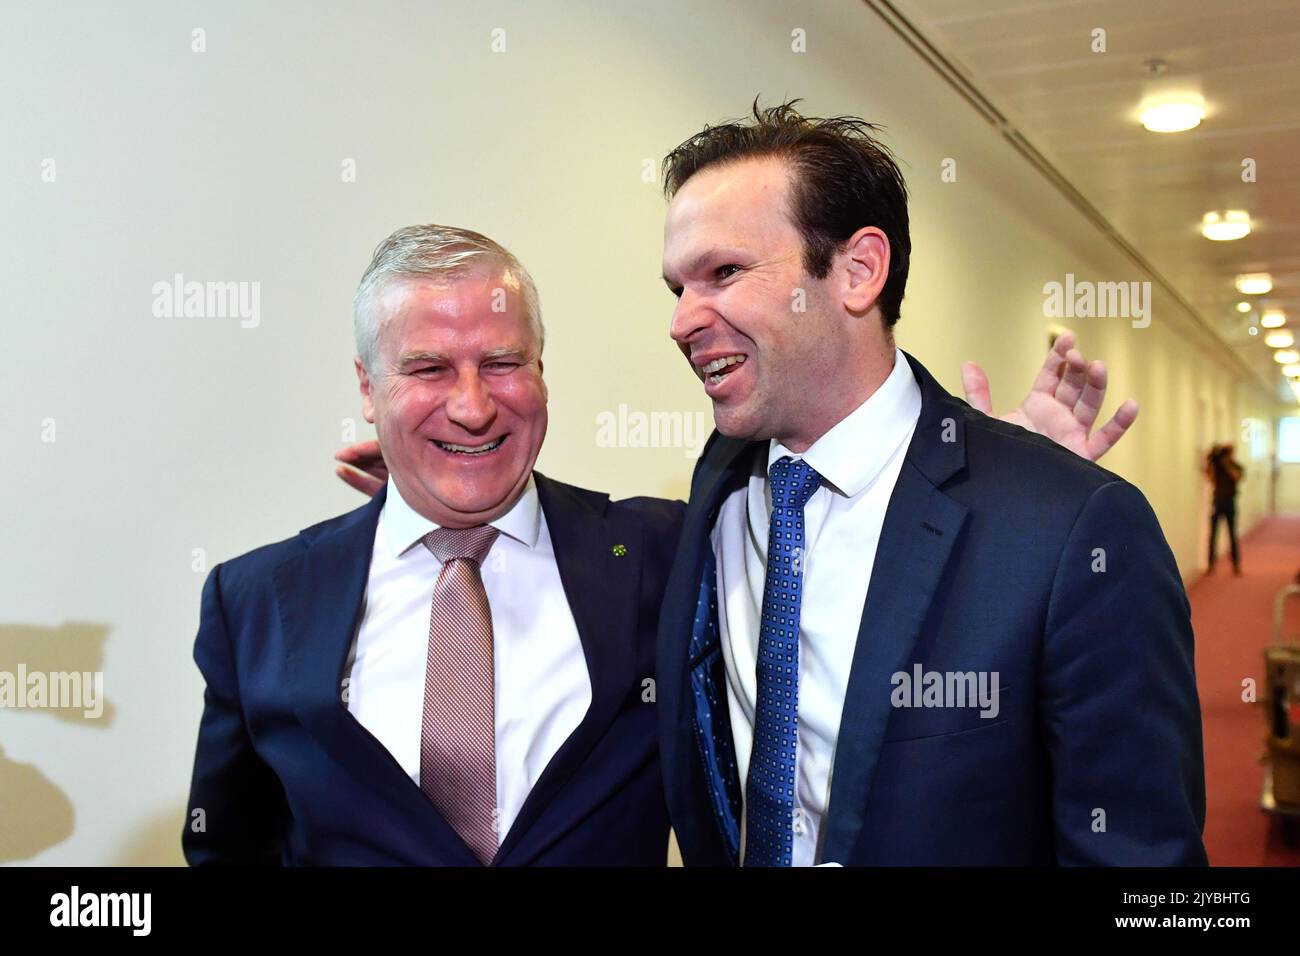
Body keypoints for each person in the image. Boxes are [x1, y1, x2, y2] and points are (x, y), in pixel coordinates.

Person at [652, 101, 1205, 866]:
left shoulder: (1074, 527)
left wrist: (1015, 493)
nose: (683, 321)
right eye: (676, 288)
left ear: (857, 270)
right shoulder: (720, 484)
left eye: (723, 273)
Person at [183, 225, 683, 865]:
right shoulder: (254, 601)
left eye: (502, 364)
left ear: (541, 372)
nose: (473, 408)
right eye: (428, 369)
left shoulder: (660, 555)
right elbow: (226, 850)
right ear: (367, 388)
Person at [1205, 443, 1244, 575]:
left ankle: (1236, 564)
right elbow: (1210, 478)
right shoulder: (1217, 466)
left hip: (1230, 502)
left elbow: (1237, 477)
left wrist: (1226, 464)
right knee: (1213, 534)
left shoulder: (1236, 466)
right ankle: (1210, 565)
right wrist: (1211, 462)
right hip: (1217, 502)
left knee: (1232, 534)